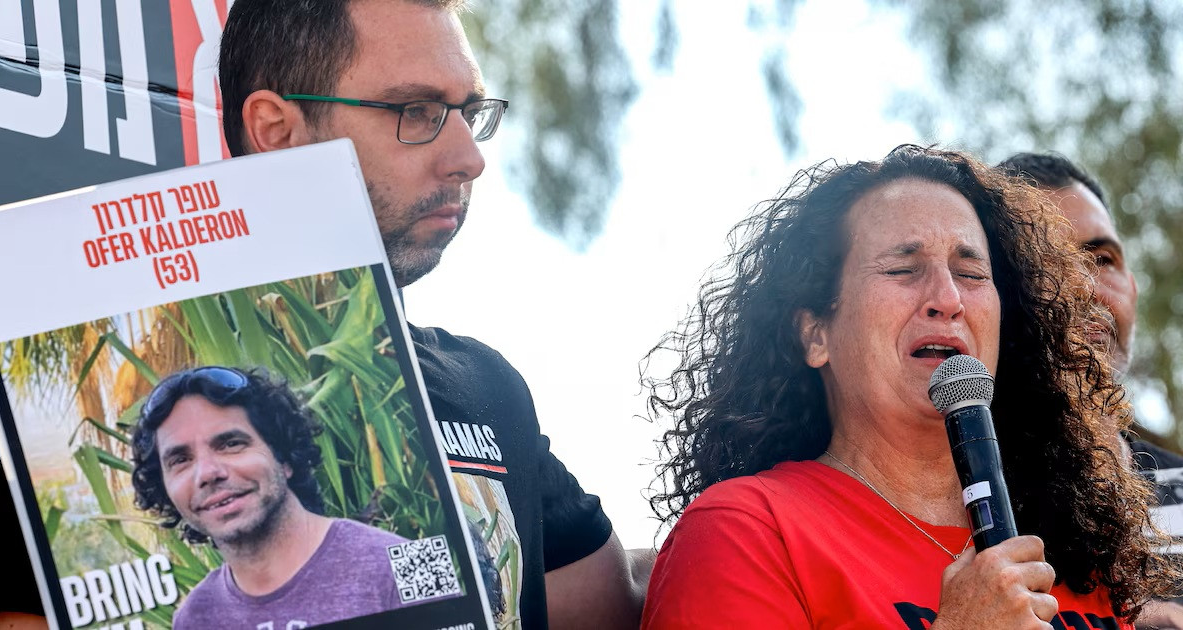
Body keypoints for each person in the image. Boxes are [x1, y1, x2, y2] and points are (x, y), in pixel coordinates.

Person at [217, 2, 646, 629]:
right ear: (278, 132)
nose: (469, 158)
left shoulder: (484, 385)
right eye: (415, 111)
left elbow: (617, 606)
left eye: (469, 113)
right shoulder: (165, 404)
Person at [640, 145, 1178, 628]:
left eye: (971, 273)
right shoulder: (745, 531)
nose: (948, 299)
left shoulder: (1084, 546)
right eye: (903, 269)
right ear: (815, 334)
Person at [999, 151, 1183, 629]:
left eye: (1103, 259)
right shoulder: (970, 495)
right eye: (1047, 261)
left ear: (1133, 288)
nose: (1086, 288)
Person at [130, 366, 407, 628]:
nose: (207, 473)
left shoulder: (407, 563)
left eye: (231, 444)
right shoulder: (194, 619)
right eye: (180, 460)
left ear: (284, 457)